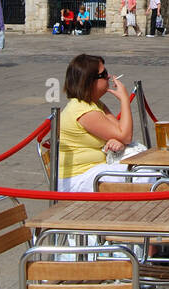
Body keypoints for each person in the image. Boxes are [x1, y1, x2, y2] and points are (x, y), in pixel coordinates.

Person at [57, 55, 134, 191]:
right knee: (140, 173)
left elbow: (121, 132)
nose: (109, 76)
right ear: (89, 81)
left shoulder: (95, 104)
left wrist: (119, 140)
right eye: (103, 74)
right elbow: (126, 136)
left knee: (141, 168)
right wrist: (124, 100)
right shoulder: (82, 110)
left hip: (93, 172)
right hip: (78, 179)